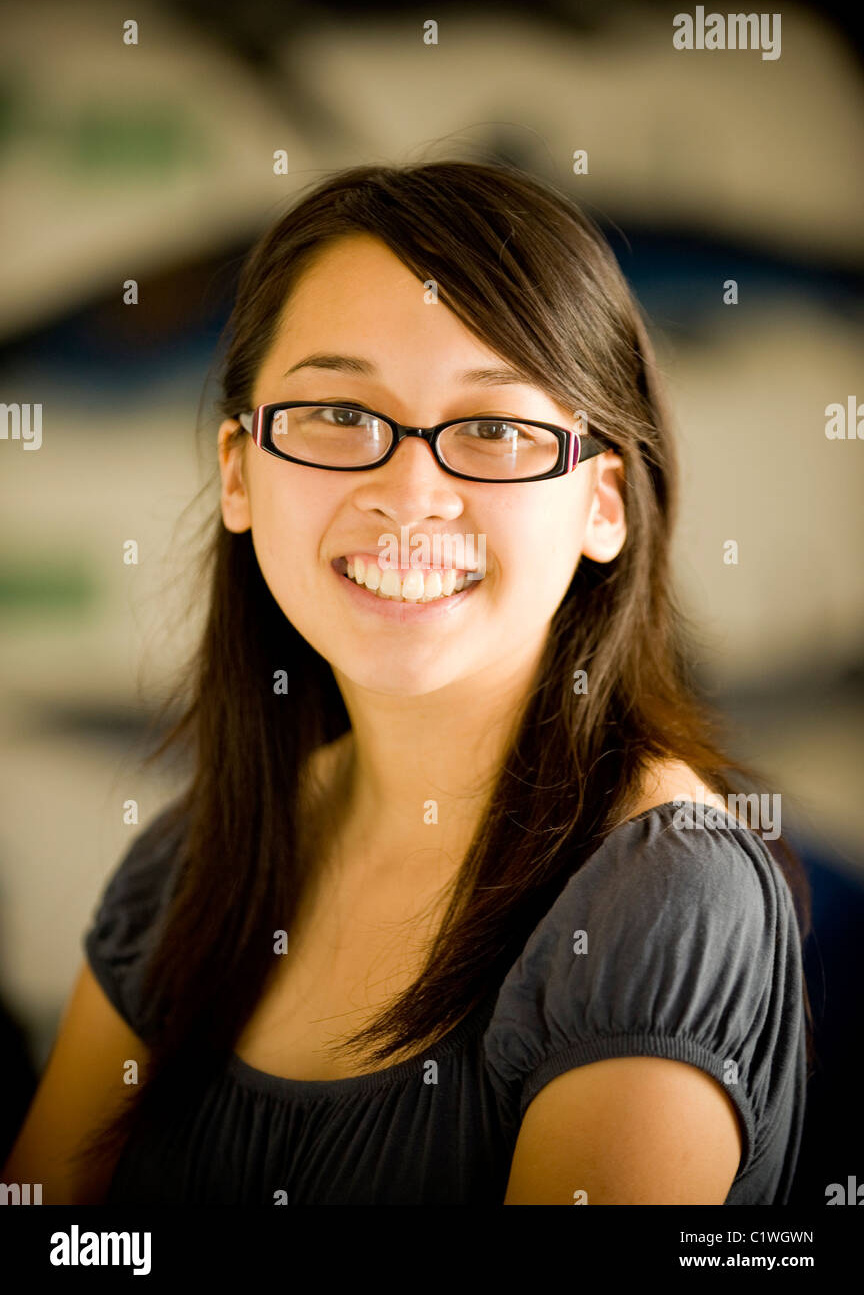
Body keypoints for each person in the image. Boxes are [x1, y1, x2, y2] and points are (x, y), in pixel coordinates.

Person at [1, 160, 812, 1205]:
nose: (409, 493)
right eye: (337, 413)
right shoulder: (190, 864)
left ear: (602, 503)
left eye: (495, 429)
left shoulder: (664, 895)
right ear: (239, 473)